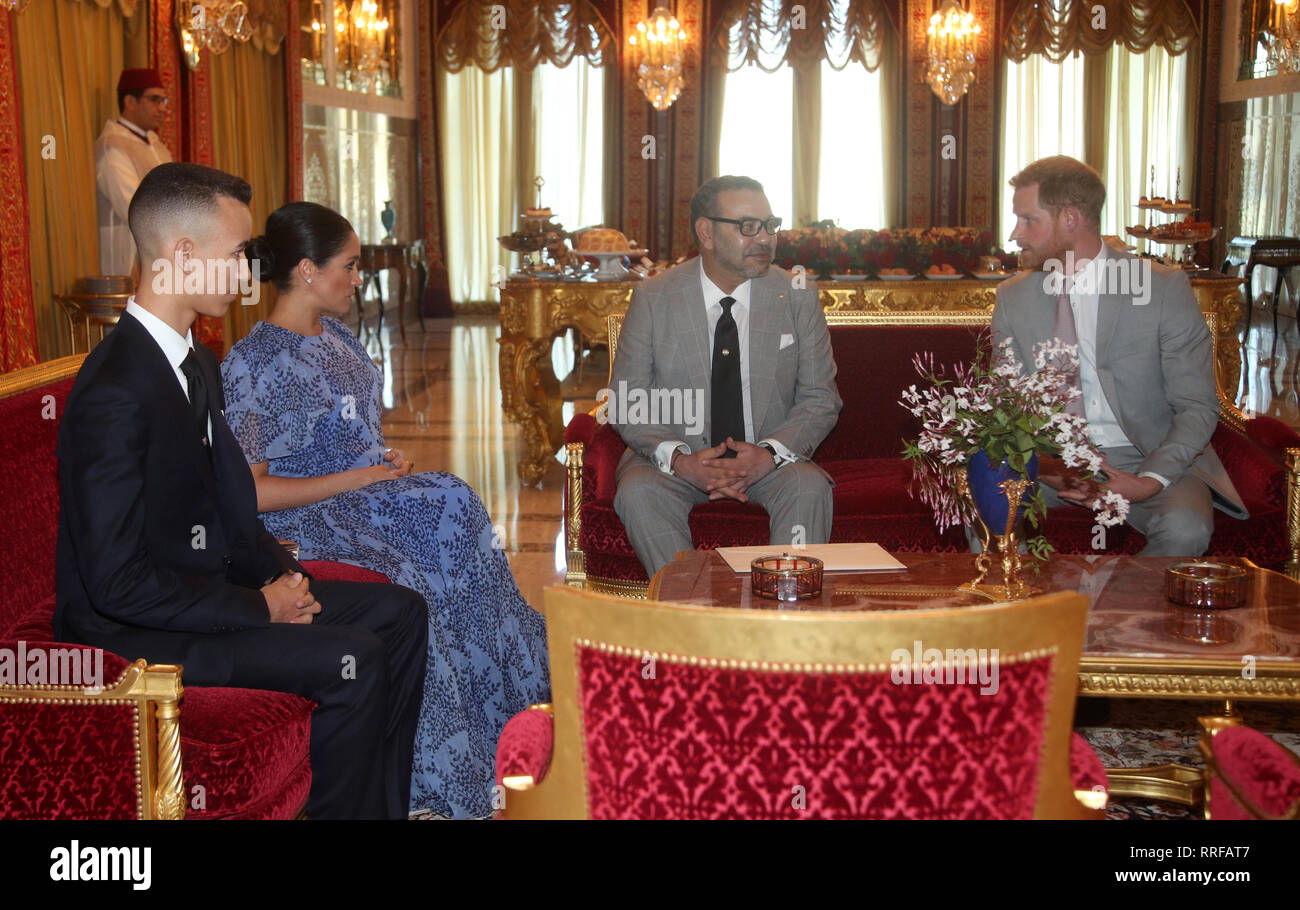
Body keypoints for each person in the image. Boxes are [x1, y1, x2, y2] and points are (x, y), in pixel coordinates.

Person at [55, 163, 428, 820]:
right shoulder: (115, 389)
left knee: (399, 614)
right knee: (356, 657)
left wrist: (287, 578)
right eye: (237, 255)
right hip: (133, 628)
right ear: (182, 255)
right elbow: (115, 583)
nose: (247, 273)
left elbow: (234, 504)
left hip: (205, 589)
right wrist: (259, 606)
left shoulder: (195, 360)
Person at [220, 201, 550, 819]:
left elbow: (353, 434)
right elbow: (255, 492)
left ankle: (507, 712)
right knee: (419, 575)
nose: (357, 278)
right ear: (307, 270)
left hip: (365, 497)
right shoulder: (249, 364)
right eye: (349, 266)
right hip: (307, 523)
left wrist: (378, 460)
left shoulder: (340, 335)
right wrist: (362, 474)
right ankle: (445, 769)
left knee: (457, 505)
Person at [993, 155, 1246, 556]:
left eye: (1027, 220)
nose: (1014, 234)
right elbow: (1006, 406)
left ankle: (1120, 619)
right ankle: (1027, 616)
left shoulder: (1160, 290)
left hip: (1145, 452)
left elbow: (1197, 405)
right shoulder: (1013, 297)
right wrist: (1051, 466)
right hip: (1048, 459)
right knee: (982, 508)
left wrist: (1148, 481)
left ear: (1070, 219)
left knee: (1186, 528)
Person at [610, 175, 843, 578]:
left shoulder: (798, 295)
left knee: (809, 487)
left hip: (770, 460)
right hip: (679, 457)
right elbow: (627, 400)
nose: (765, 239)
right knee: (638, 491)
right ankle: (694, 618)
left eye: (770, 225)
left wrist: (768, 454)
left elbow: (821, 397)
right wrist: (680, 460)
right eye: (748, 227)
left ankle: (783, 622)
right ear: (707, 232)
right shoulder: (654, 297)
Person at [95, 69, 173, 277]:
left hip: (163, 256)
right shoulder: (112, 145)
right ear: (130, 102)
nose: (162, 108)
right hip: (128, 257)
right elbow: (133, 207)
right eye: (155, 100)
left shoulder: (158, 147)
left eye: (164, 101)